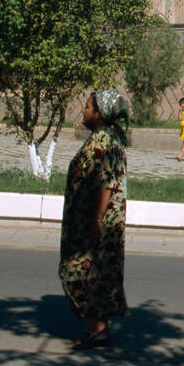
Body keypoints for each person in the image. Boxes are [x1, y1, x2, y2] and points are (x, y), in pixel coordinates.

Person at [59, 89, 131, 349]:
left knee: (80, 271)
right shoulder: (102, 138)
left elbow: (105, 183)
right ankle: (97, 329)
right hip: (90, 221)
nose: (83, 110)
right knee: (95, 275)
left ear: (100, 114)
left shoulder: (104, 141)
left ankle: (97, 329)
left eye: (88, 106)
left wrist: (97, 220)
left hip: (98, 223)